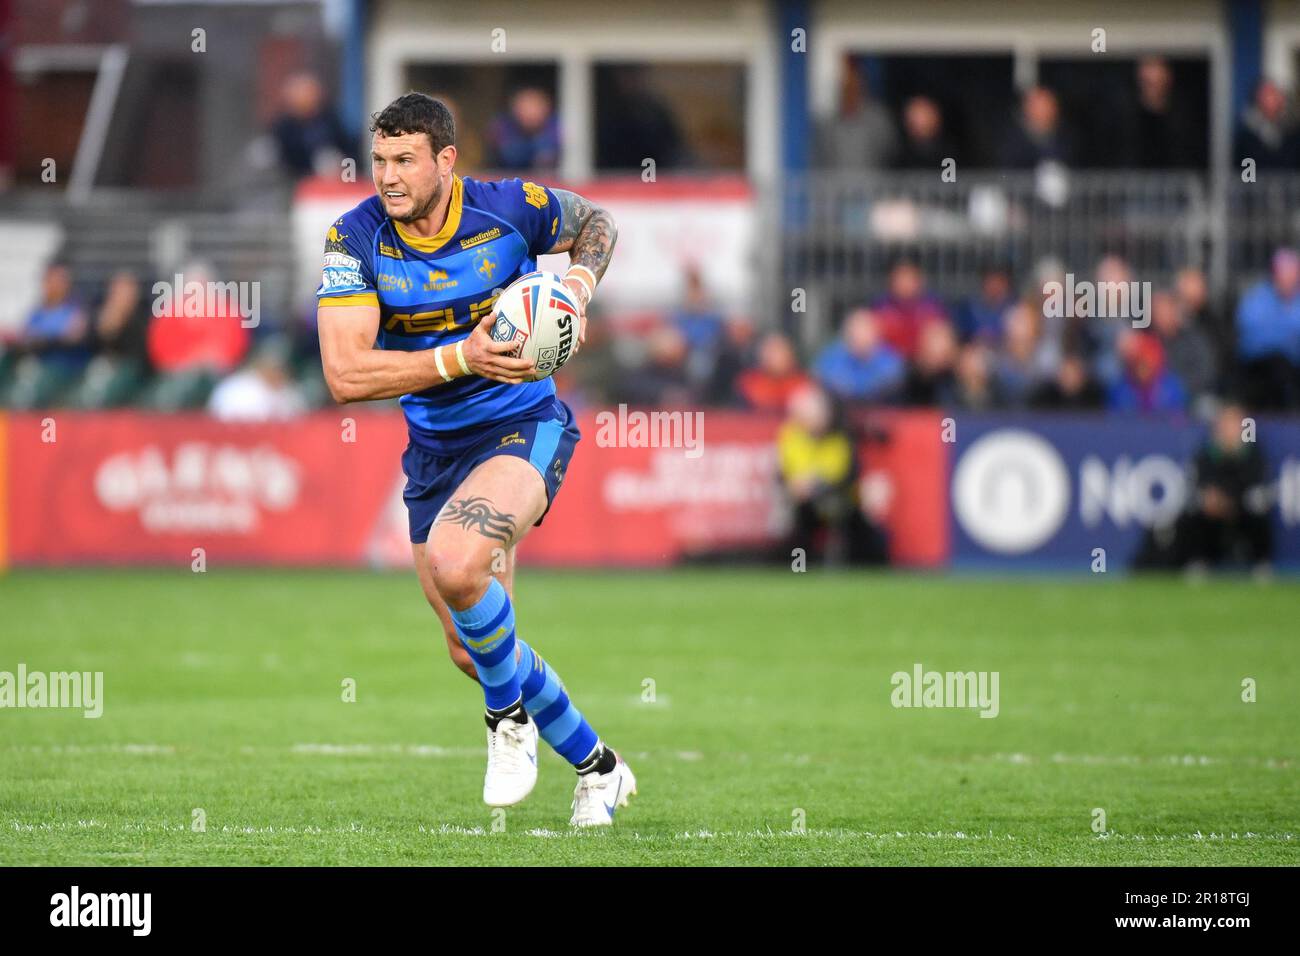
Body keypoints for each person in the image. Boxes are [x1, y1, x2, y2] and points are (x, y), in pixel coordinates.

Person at [315, 93, 633, 827]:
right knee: (475, 646)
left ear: (445, 160)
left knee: (460, 568)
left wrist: (577, 286)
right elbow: (345, 375)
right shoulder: (354, 238)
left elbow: (596, 222)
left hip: (523, 427)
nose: (388, 177)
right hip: (434, 451)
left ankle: (506, 723)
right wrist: (463, 356)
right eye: (379, 160)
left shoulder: (509, 208)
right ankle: (599, 767)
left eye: (404, 161)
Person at [776, 383, 887, 565]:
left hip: (839, 498)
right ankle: (800, 565)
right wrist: (797, 483)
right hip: (803, 500)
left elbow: (845, 474)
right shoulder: (791, 434)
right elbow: (786, 468)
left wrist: (815, 485)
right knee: (798, 518)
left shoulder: (840, 436)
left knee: (855, 519)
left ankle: (856, 563)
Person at [1178, 403, 1274, 574]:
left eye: (1235, 424)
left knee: (1258, 504)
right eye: (1226, 424)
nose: (1230, 429)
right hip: (1215, 507)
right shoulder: (1208, 451)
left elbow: (1256, 482)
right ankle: (1200, 560)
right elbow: (1200, 480)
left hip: (1241, 505)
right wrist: (1214, 497)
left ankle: (1262, 562)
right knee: (1196, 508)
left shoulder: (1250, 450)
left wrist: (1231, 500)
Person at [1234, 248, 1300, 410]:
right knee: (1279, 367)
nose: (1288, 279)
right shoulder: (1256, 299)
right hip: (1261, 365)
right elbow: (1253, 338)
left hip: (1294, 365)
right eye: (1284, 273)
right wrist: (1288, 338)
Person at [813, 308, 905, 404]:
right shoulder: (831, 357)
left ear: (877, 334)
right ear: (846, 334)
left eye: (866, 330)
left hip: (882, 411)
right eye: (855, 331)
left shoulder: (891, 361)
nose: (860, 336)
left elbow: (889, 383)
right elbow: (820, 376)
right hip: (840, 412)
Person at [485, 87, 561, 172]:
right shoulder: (501, 126)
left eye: (535, 106)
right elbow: (509, 157)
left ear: (547, 108)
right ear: (514, 108)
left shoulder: (559, 127)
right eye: (525, 106)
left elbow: (547, 158)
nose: (531, 112)